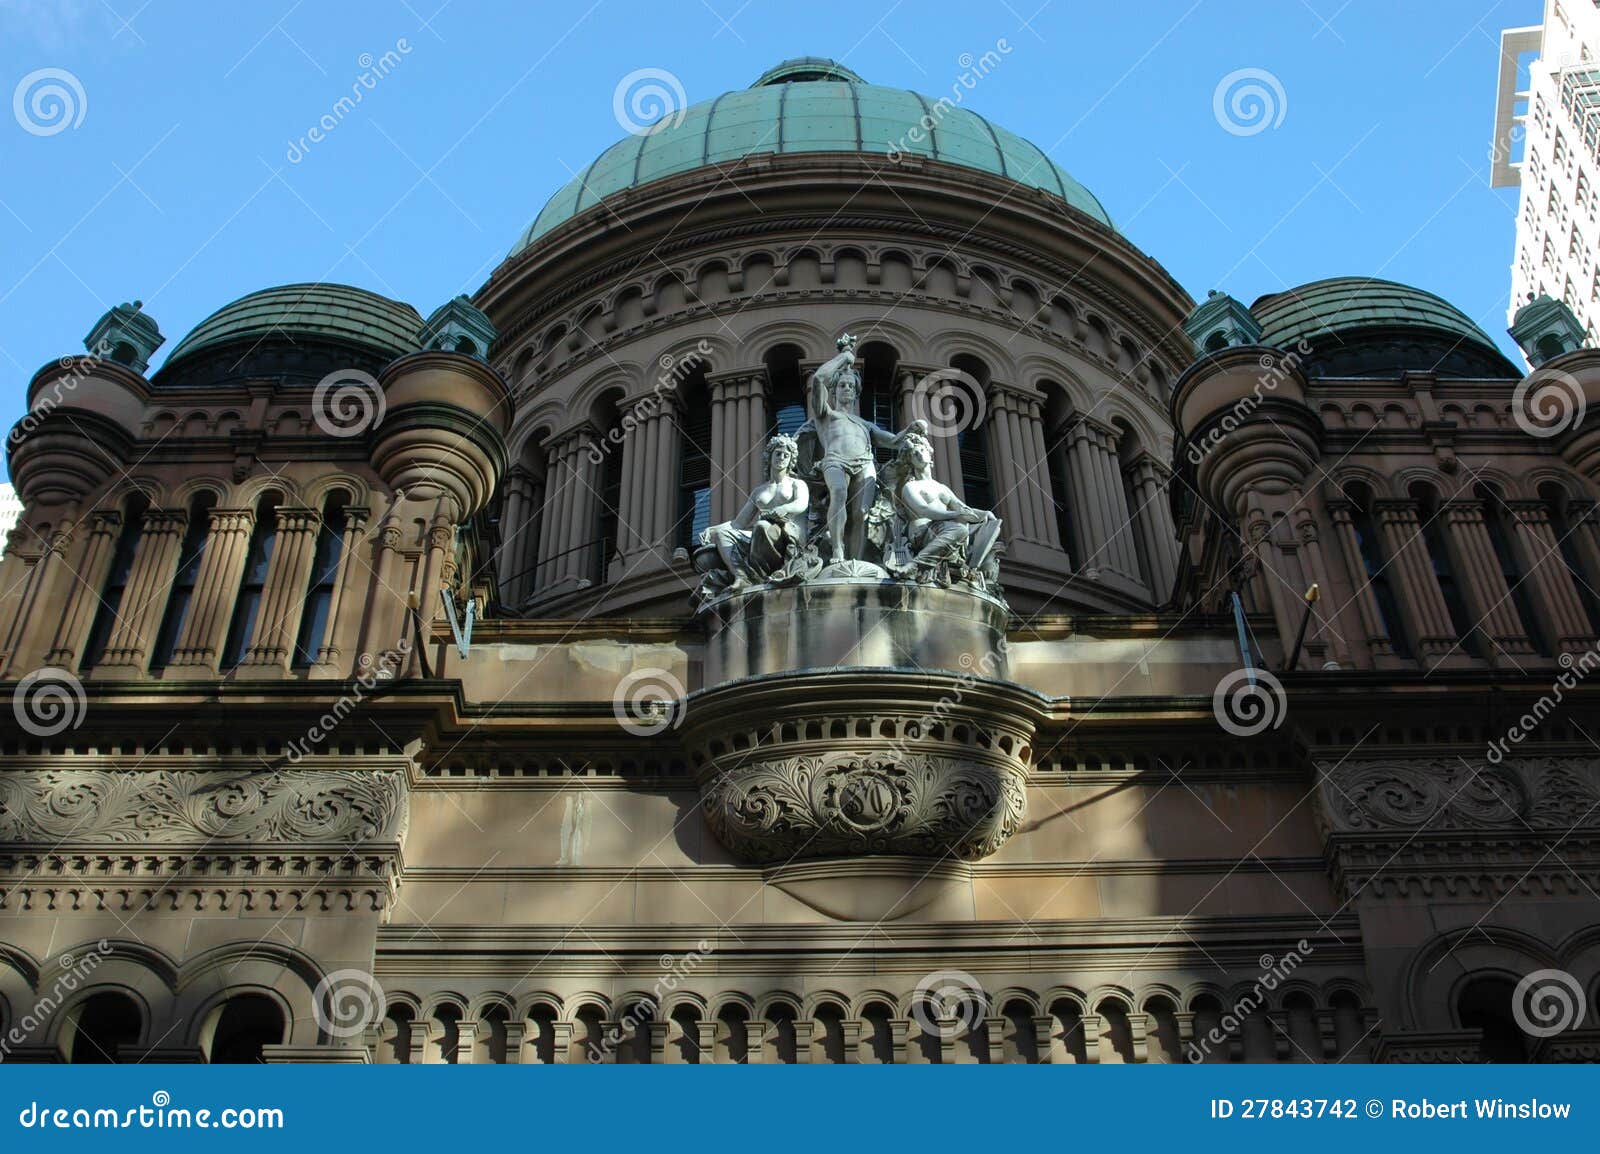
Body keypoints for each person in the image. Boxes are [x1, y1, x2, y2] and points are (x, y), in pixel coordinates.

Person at [806, 334, 925, 564]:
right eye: (841, 385)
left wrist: (911, 428)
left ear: (857, 391)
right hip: (835, 460)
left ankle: (855, 561)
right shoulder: (826, 415)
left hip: (864, 462)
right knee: (838, 492)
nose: (846, 389)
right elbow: (819, 379)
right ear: (835, 390)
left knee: (862, 513)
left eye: (851, 385)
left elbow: (893, 441)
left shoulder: (865, 425)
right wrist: (843, 358)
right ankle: (838, 551)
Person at [698, 433, 809, 591]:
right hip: (761, 535)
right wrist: (714, 530)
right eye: (778, 453)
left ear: (791, 460)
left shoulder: (797, 484)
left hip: (789, 533)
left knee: (762, 525)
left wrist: (784, 509)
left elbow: (802, 504)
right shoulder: (759, 491)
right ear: (769, 457)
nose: (782, 458)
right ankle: (741, 577)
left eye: (786, 455)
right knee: (724, 535)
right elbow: (738, 523)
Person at [893, 432, 1002, 586]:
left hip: (944, 528)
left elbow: (963, 509)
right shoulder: (911, 487)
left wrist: (984, 514)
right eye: (913, 454)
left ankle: (971, 569)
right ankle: (916, 564)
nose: (918, 455)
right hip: (922, 532)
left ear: (930, 454)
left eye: (922, 450)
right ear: (910, 461)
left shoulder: (941, 488)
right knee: (960, 530)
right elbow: (923, 510)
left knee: (987, 528)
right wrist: (955, 514)